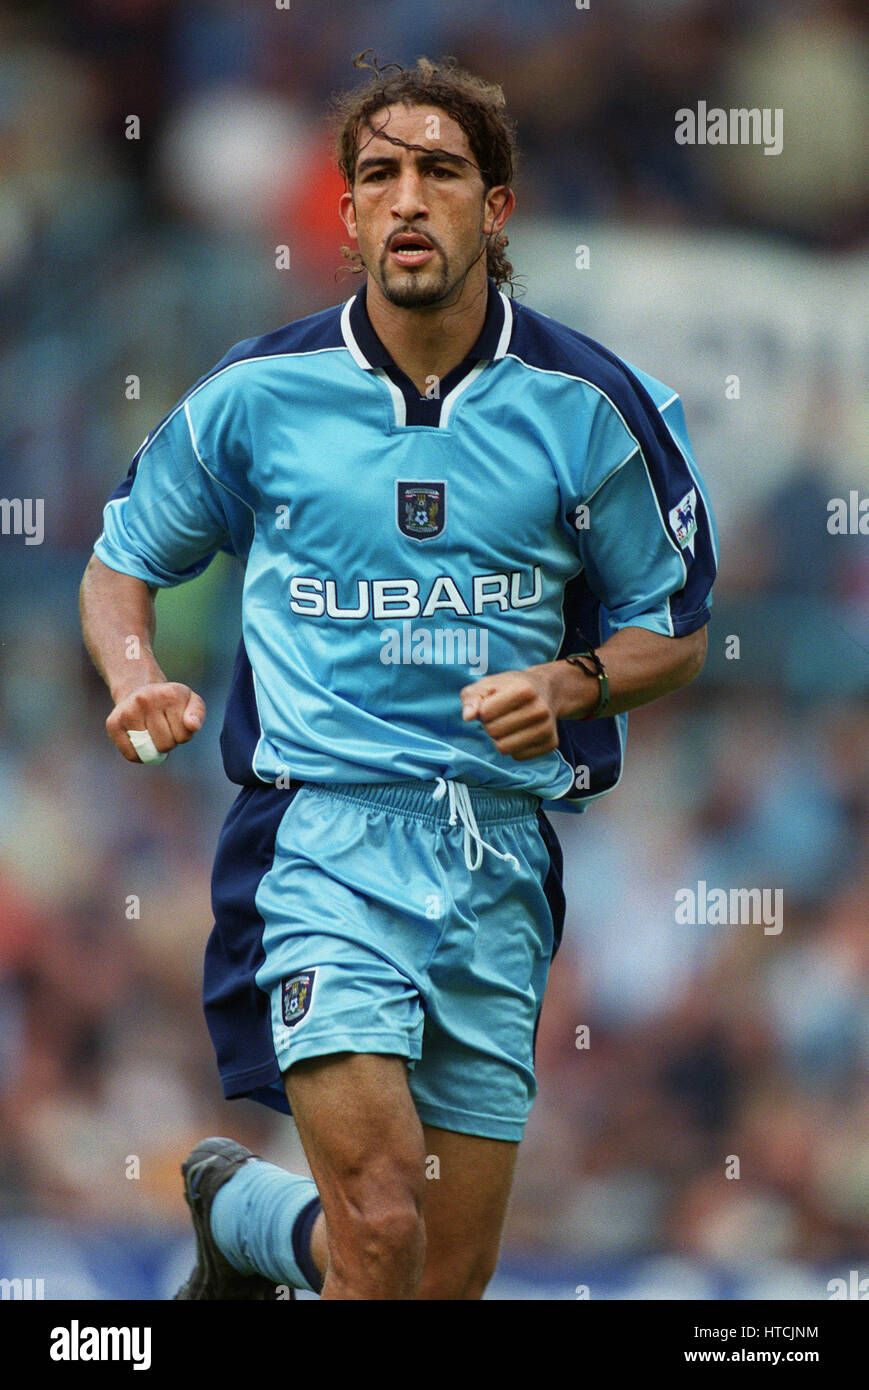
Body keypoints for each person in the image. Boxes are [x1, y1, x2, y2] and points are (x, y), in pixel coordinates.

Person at [79, 54, 717, 1301]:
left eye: (439, 170)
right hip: (319, 833)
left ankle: (247, 1219)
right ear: (349, 213)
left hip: (499, 852)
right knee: (379, 1227)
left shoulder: (591, 407)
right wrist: (135, 675)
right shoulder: (258, 395)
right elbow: (117, 566)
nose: (407, 197)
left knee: (433, 1277)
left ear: (497, 207)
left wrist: (575, 684)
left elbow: (675, 628)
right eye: (378, 175)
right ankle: (279, 1221)